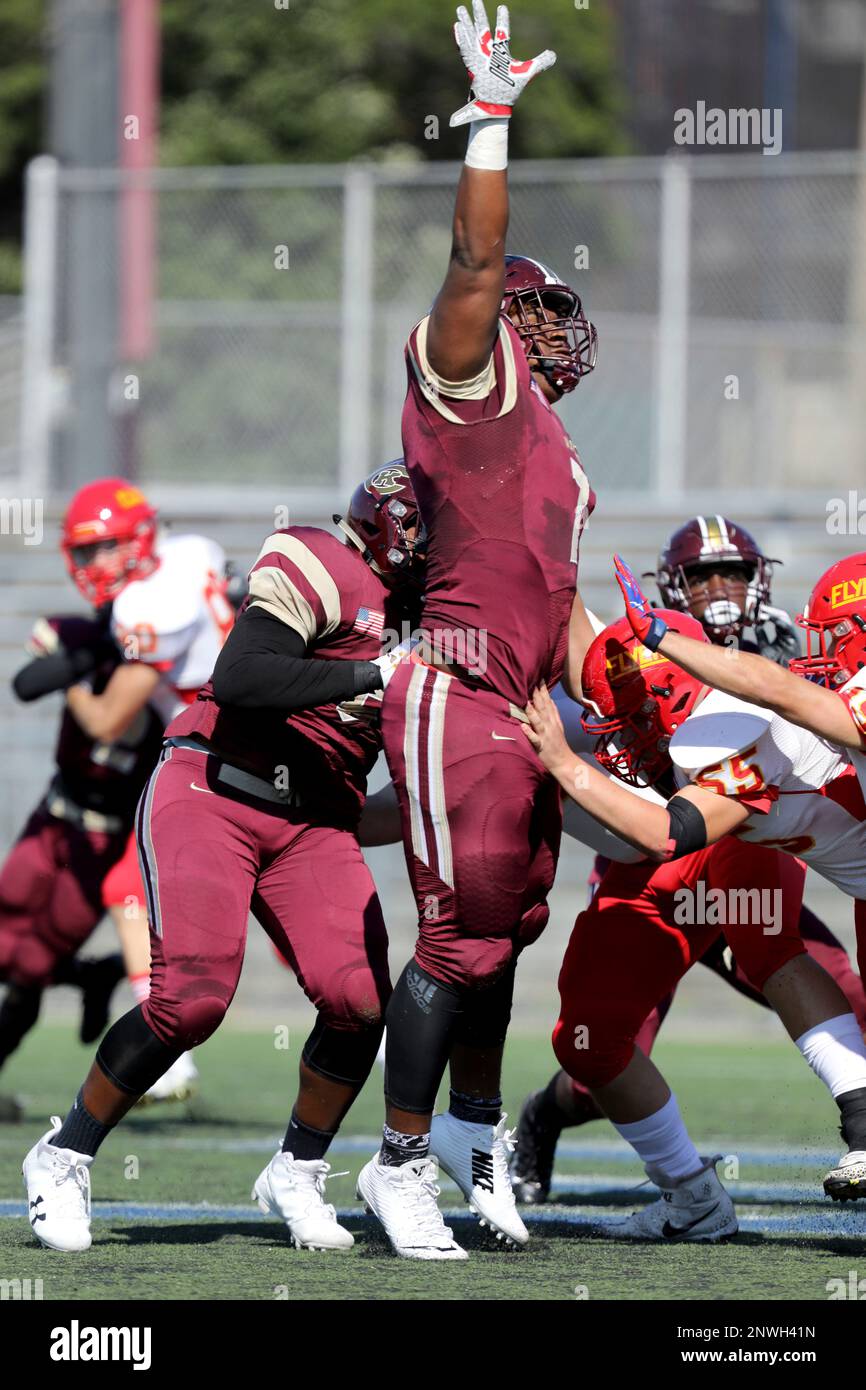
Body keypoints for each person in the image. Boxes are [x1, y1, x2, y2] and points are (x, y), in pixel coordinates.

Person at [21, 464, 427, 1255]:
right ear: (385, 525)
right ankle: (63, 1153)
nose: (438, 546)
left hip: (314, 818)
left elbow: (398, 782)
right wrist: (373, 672)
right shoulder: (318, 559)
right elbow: (241, 676)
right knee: (191, 1003)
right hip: (215, 786)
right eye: (424, 528)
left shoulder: (444, 620)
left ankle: (298, 1169)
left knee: (359, 1003)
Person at [354, 2, 599, 1262]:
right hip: (452, 690)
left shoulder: (565, 456)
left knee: (503, 934)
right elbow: (469, 249)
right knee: (457, 934)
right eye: (534, 306)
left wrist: (603, 708)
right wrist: (491, 120)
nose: (553, 325)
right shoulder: (467, 365)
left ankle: (471, 1135)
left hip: (520, 706)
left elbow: (560, 612)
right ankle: (395, 1161)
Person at [512, 519, 866, 1203]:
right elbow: (587, 648)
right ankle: (550, 1114)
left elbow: (775, 695)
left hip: (738, 845)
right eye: (702, 577)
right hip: (662, 863)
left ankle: (856, 1124)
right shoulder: (637, 653)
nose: (721, 589)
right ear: (673, 589)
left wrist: (564, 765)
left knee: (817, 979)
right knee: (592, 1050)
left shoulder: (772, 679)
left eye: (731, 572)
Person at [0, 478, 232, 1112]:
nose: (90, 566)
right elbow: (31, 682)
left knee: (104, 905)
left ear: (136, 541)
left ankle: (168, 1052)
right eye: (84, 552)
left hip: (181, 779)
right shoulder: (183, 564)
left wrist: (74, 673)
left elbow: (107, 718)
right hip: (78, 807)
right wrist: (85, 657)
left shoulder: (147, 613)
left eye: (102, 549)